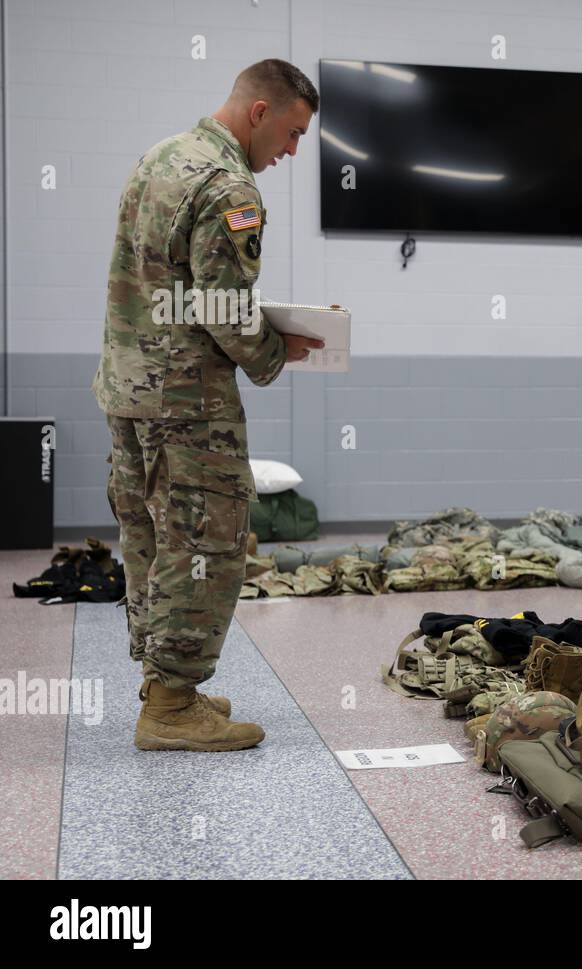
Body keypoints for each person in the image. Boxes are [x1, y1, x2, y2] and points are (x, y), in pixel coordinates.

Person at [92, 59, 325, 751]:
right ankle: (168, 709)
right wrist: (276, 352)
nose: (290, 152)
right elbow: (225, 309)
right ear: (260, 112)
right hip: (186, 400)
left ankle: (167, 685)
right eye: (290, 133)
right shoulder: (229, 186)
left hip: (129, 388)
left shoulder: (158, 157)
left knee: (151, 538)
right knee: (208, 544)